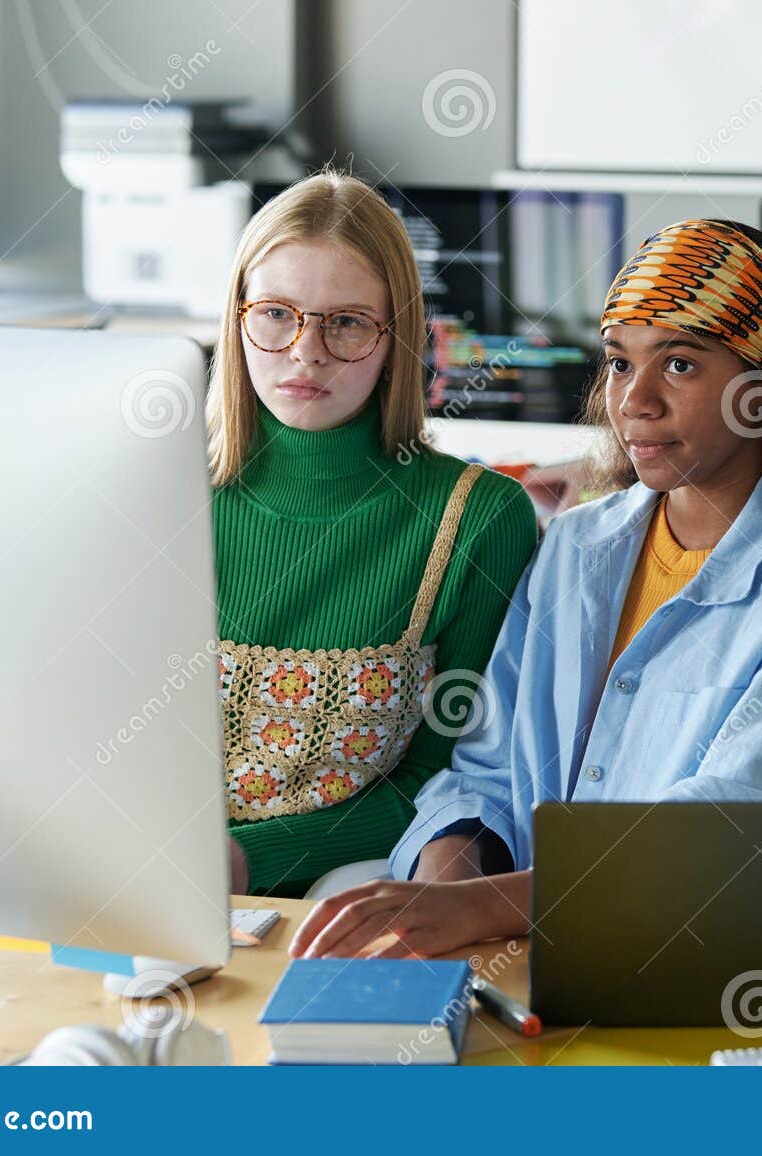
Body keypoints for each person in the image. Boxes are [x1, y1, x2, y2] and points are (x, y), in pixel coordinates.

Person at [289, 217, 762, 959]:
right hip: (533, 958)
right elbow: (485, 769)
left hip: (702, 971)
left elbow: (736, 838)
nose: (635, 400)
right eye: (617, 363)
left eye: (679, 365)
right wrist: (444, 892)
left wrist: (486, 907)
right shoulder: (578, 546)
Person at [210, 171, 537, 896]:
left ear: (399, 339)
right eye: (275, 313)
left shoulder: (480, 520)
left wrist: (243, 859)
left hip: (340, 892)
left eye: (348, 322)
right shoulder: (148, 487)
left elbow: (448, 778)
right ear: (235, 317)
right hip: (133, 886)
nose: (306, 351)